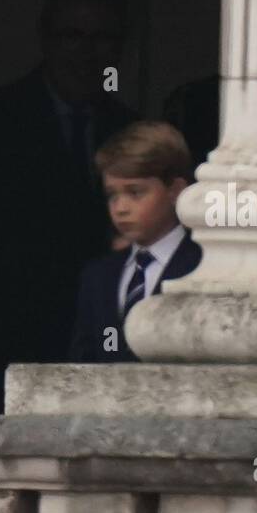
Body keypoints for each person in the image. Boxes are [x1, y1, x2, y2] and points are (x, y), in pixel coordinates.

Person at [0, 0, 139, 412]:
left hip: (103, 349)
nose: (88, 51)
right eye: (73, 35)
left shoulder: (133, 129)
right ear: (45, 38)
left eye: (103, 37)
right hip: (8, 343)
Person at [69, 121, 202, 362]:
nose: (120, 208)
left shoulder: (202, 267)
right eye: (112, 195)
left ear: (175, 191)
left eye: (135, 192)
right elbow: (83, 363)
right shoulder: (99, 276)